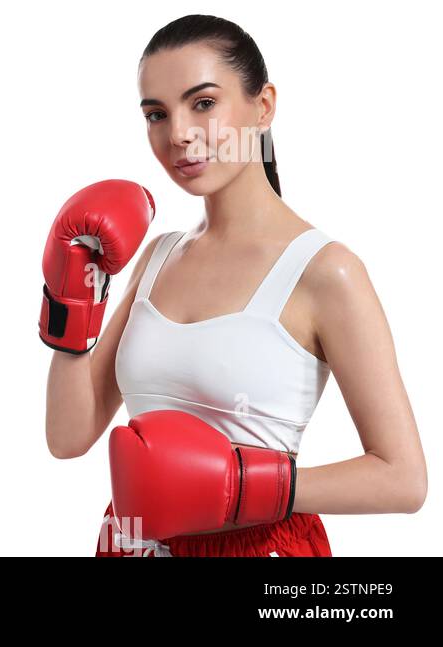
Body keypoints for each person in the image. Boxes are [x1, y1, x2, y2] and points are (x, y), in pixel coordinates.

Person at [40, 14, 426, 557]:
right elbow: (67, 437)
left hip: (260, 547)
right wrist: (69, 302)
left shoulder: (324, 271)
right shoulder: (159, 255)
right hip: (131, 541)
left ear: (263, 106)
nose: (177, 134)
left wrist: (240, 488)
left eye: (202, 103)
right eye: (157, 113)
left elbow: (403, 479)